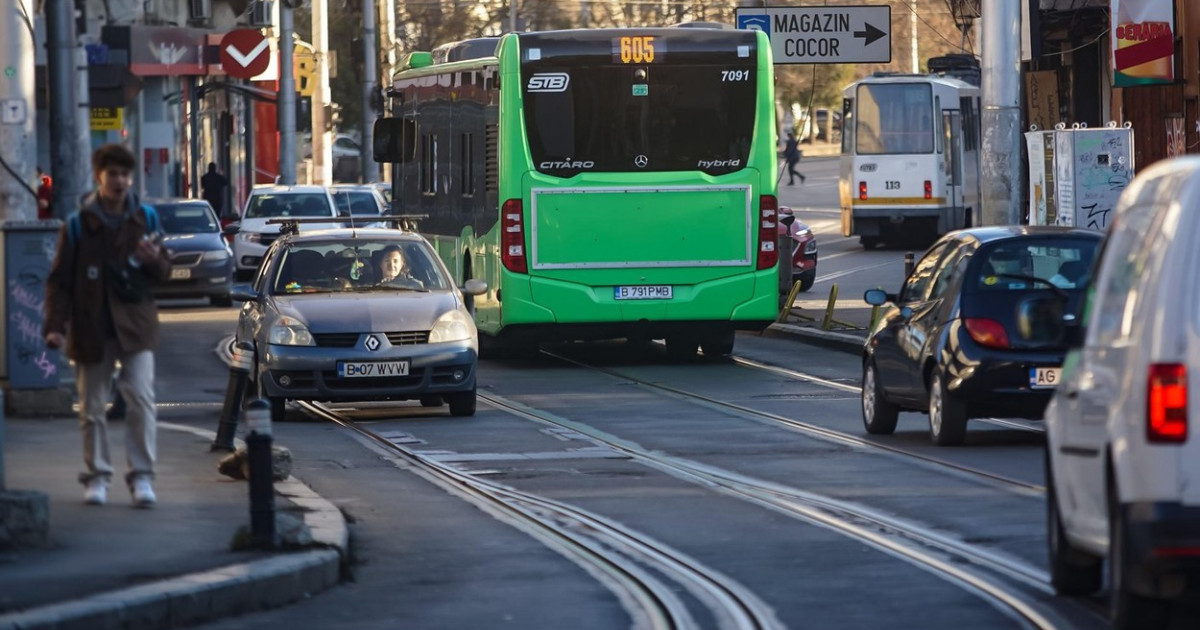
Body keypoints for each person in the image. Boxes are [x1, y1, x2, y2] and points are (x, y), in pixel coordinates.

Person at [43, 143, 171, 507]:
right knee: (92, 405)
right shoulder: (78, 224)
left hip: (136, 324)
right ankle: (97, 475)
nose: (120, 181)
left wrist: (153, 261)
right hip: (90, 324)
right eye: (113, 173)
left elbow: (164, 273)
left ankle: (142, 477)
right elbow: (60, 280)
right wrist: (54, 326)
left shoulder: (145, 218)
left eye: (126, 174)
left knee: (142, 399)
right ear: (99, 176)